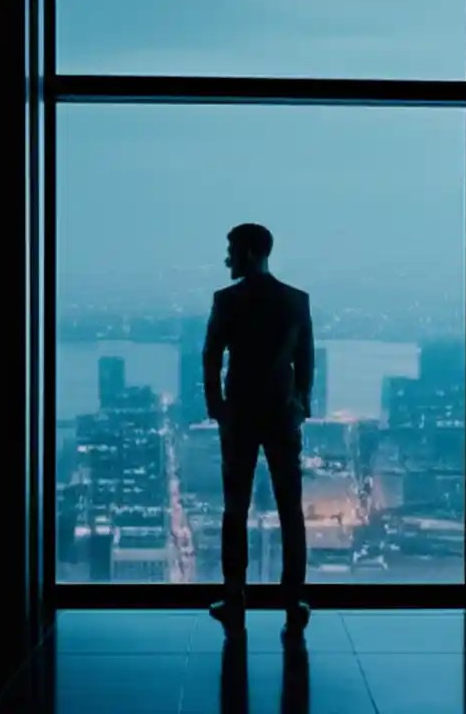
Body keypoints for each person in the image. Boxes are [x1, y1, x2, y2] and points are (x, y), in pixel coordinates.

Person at [203, 222, 314, 637]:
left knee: (235, 509)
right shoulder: (295, 301)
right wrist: (300, 406)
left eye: (232, 249)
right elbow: (306, 361)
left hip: (241, 417)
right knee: (291, 510)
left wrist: (219, 409)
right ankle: (294, 600)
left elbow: (211, 357)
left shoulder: (227, 301)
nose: (227, 258)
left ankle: (235, 598)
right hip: (282, 416)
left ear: (249, 251)